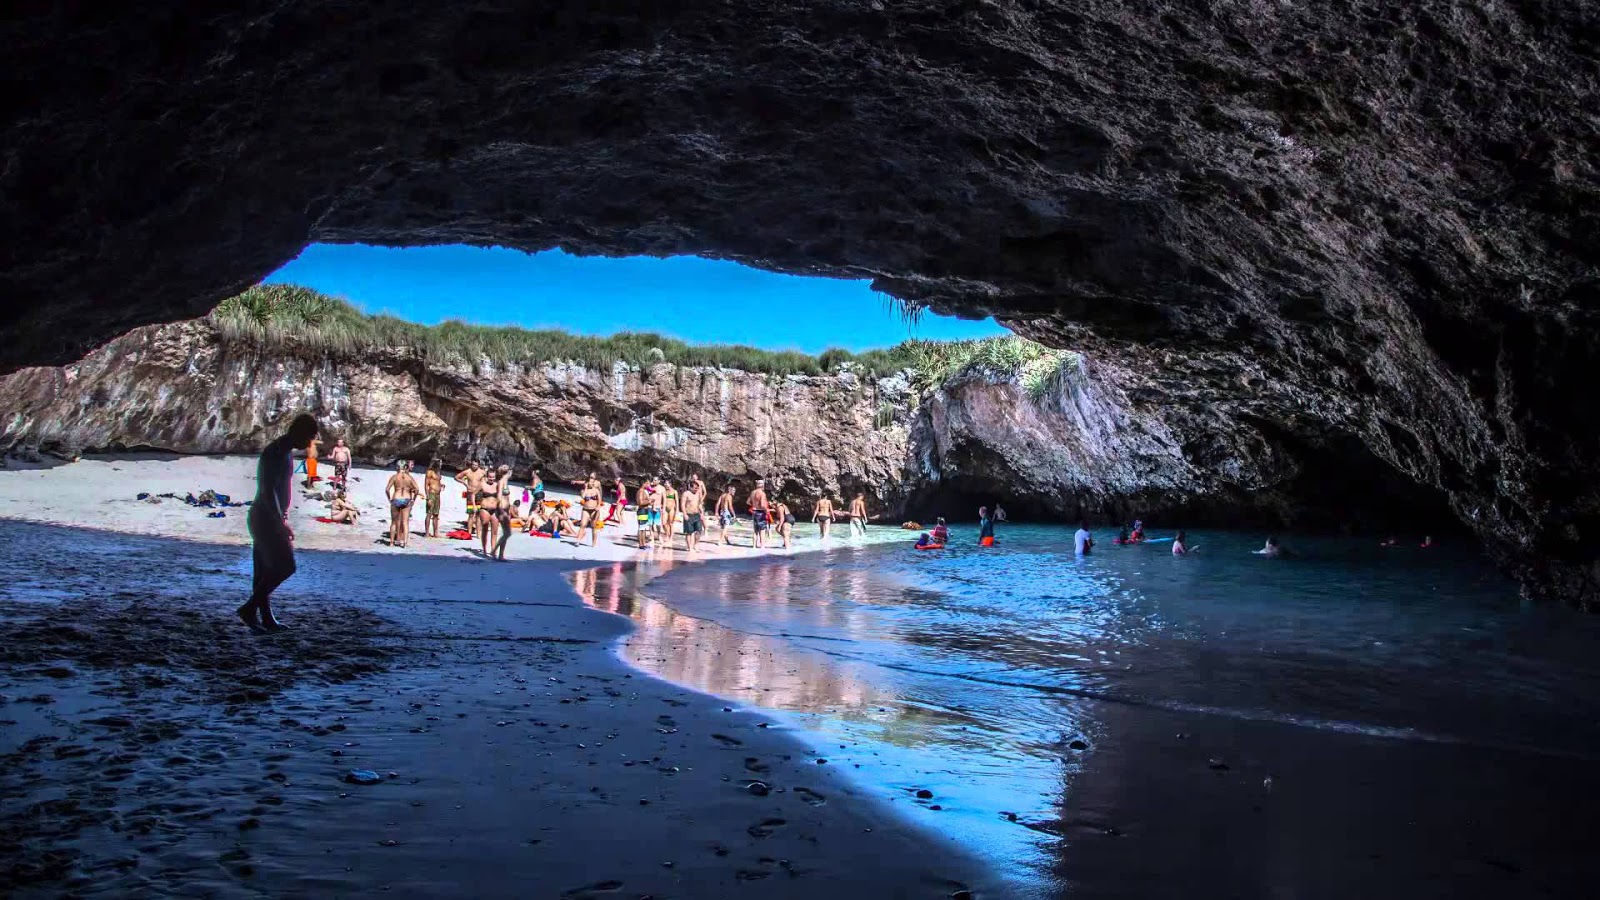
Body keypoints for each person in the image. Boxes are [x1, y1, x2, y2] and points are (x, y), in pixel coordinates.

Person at [240, 413, 319, 631]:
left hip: (266, 515)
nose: (310, 442)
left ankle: (265, 618)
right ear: (298, 431)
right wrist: (279, 521)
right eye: (310, 436)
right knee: (286, 566)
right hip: (266, 516)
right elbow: (268, 490)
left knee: (263, 570)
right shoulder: (275, 452)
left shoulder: (285, 453)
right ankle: (249, 609)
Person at [385, 459, 419, 548]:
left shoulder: (394, 477)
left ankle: (392, 542)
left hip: (396, 498)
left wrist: (389, 498)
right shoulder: (409, 477)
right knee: (405, 522)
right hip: (407, 499)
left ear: (397, 467)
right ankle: (404, 542)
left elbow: (387, 489)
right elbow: (417, 489)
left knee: (393, 522)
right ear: (405, 467)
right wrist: (413, 499)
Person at [454, 461, 486, 537]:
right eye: (473, 465)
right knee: (471, 514)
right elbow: (456, 477)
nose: (475, 466)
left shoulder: (482, 472)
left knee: (478, 514)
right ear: (471, 465)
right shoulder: (467, 472)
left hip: (479, 493)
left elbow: (487, 481)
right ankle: (469, 532)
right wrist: (465, 484)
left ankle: (478, 533)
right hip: (470, 493)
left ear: (479, 465)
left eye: (476, 465)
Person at [577, 474, 603, 547]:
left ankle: (593, 543)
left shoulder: (596, 490)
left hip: (594, 510)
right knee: (583, 524)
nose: (591, 484)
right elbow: (583, 496)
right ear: (587, 483)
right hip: (586, 509)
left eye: (593, 482)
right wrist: (585, 488)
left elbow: (599, 500)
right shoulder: (584, 490)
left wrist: (598, 507)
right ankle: (578, 540)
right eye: (590, 482)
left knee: (594, 526)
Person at [682, 479, 705, 554]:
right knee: (689, 532)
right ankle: (689, 547)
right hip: (688, 514)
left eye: (697, 488)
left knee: (699, 531)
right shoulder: (686, 494)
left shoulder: (698, 494)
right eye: (695, 488)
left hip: (697, 514)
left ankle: (695, 545)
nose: (696, 490)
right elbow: (682, 504)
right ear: (690, 487)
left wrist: (702, 513)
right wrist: (684, 514)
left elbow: (699, 504)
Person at [749, 479, 771, 549]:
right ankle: (762, 546)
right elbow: (762, 505)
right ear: (762, 485)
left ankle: (754, 546)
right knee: (762, 530)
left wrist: (754, 506)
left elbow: (748, 502)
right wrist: (766, 509)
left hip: (754, 512)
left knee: (755, 530)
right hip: (761, 512)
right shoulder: (762, 493)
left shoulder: (753, 492)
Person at [424, 459, 443, 538]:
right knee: (429, 513)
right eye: (440, 463)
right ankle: (427, 533)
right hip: (431, 494)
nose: (442, 464)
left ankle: (435, 532)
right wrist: (428, 498)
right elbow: (426, 485)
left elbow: (437, 482)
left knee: (436, 514)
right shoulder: (430, 472)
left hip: (438, 495)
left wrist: (441, 485)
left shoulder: (438, 472)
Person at [661, 480, 680, 550]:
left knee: (671, 523)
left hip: (672, 508)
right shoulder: (664, 492)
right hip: (665, 508)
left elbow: (677, 501)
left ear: (670, 484)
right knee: (664, 523)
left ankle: (670, 537)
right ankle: (667, 534)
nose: (665, 484)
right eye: (665, 483)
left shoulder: (675, 492)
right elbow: (664, 501)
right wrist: (663, 509)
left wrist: (677, 510)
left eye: (667, 483)